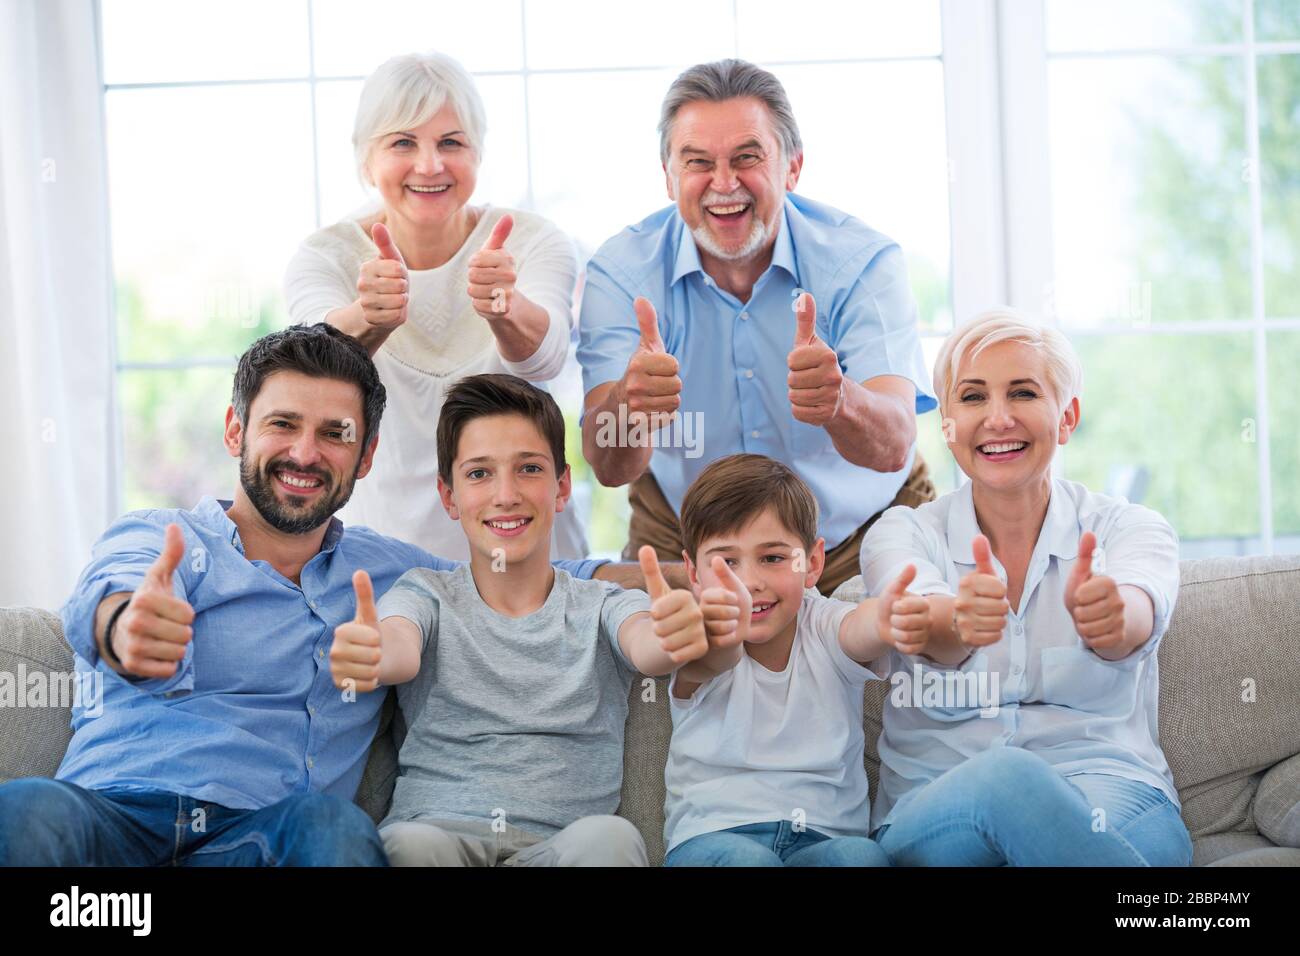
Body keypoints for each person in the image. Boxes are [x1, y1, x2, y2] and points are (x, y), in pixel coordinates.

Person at [0, 325, 616, 866]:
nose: (304, 453)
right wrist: (127, 627)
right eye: (283, 424)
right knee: (27, 809)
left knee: (335, 829)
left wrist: (698, 576)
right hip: (116, 822)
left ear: (366, 455)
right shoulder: (161, 540)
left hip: (267, 840)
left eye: (335, 434)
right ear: (236, 430)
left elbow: (540, 573)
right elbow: (108, 597)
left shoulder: (396, 576)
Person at [577, 58, 937, 594]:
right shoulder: (621, 273)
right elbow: (609, 466)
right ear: (669, 175)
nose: (724, 183)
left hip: (856, 535)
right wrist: (630, 409)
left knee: (889, 667)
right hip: (687, 538)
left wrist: (842, 403)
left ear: (792, 167)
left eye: (748, 158)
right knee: (653, 671)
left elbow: (893, 447)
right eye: (698, 161)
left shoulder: (862, 262)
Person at [330, 374, 710, 866]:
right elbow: (399, 648)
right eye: (479, 474)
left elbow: (647, 644)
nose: (506, 495)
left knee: (612, 838)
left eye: (529, 469)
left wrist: (671, 634)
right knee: (407, 844)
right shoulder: (425, 593)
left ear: (562, 486)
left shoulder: (602, 603)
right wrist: (373, 652)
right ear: (448, 496)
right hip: (439, 837)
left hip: (562, 848)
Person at [859, 310, 1192, 866]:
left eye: (1022, 393)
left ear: (1066, 417)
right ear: (946, 424)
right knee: (1007, 779)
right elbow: (927, 623)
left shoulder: (1131, 528)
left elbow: (1134, 616)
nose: (997, 418)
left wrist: (1109, 620)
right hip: (944, 804)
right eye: (971, 398)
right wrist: (958, 624)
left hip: (1110, 790)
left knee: (1134, 845)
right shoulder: (902, 533)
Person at [285, 50, 587, 563]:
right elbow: (310, 375)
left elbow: (546, 360)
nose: (430, 165)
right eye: (403, 142)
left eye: (452, 142)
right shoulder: (326, 257)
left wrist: (505, 310)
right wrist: (367, 318)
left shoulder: (532, 241)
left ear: (477, 153)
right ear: (366, 159)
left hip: (533, 560)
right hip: (382, 564)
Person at [661, 453, 930, 867]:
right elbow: (714, 655)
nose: (750, 582)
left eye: (772, 558)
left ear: (813, 562)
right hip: (715, 838)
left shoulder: (824, 624)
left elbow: (859, 630)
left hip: (824, 839)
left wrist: (887, 615)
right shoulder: (697, 635)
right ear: (694, 574)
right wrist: (722, 633)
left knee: (862, 857)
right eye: (725, 563)